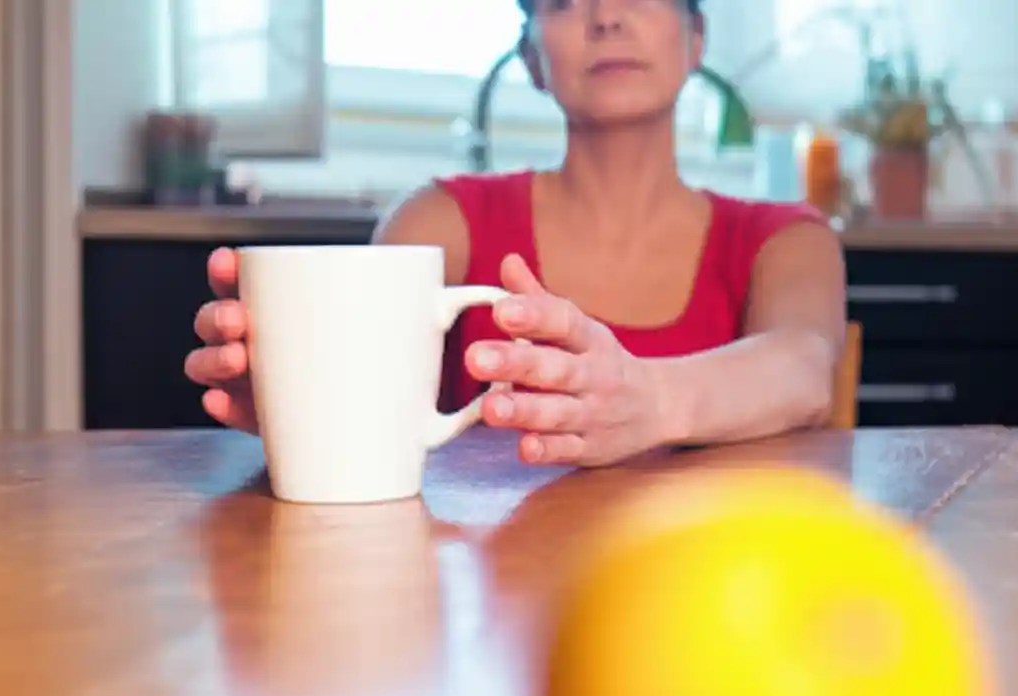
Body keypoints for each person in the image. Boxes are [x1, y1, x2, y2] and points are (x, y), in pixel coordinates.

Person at [184, 0, 846, 468]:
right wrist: (293, 395)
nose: (607, 15)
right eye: (563, 1)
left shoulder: (785, 238)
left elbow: (805, 370)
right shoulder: (440, 220)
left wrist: (650, 402)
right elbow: (354, 384)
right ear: (531, 56)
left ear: (696, 38)